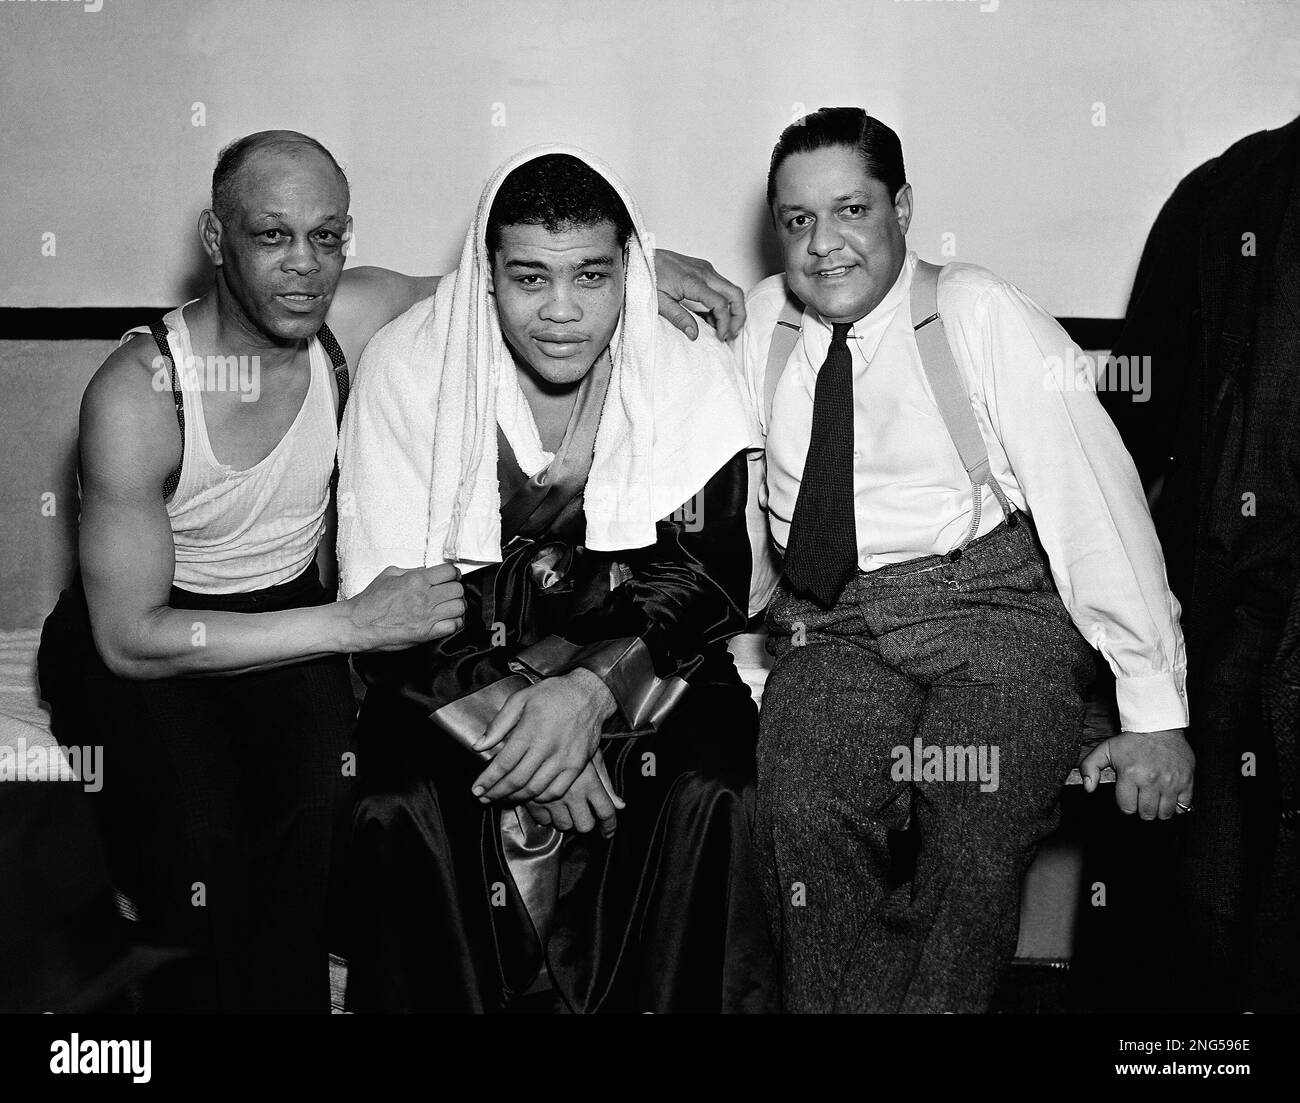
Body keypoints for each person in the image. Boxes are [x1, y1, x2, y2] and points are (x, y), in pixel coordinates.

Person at [36, 130, 746, 1013]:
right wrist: (349, 623)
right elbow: (129, 637)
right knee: (203, 836)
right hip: (152, 628)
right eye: (271, 235)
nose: (303, 265)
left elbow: (492, 276)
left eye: (326, 236)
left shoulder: (344, 315)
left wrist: (641, 268)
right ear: (216, 237)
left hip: (284, 609)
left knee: (325, 806)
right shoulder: (139, 392)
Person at [740, 108, 1195, 1013]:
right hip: (833, 621)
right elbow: (732, 487)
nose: (824, 244)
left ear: (902, 209)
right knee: (801, 809)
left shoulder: (978, 311)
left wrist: (1153, 706)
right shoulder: (762, 322)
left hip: (991, 611)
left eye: (851, 210)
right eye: (798, 220)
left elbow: (1094, 506)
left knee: (976, 824)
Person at [336, 145, 777, 1013]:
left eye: (592, 276)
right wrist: (535, 736)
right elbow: (393, 611)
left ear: (629, 272)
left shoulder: (683, 362)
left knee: (720, 792)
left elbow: (707, 573)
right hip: (455, 673)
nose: (563, 311)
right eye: (530, 278)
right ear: (486, 275)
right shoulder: (408, 367)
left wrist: (588, 692)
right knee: (397, 802)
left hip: (644, 658)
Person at [1101, 112, 1300, 1012]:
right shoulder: (1223, 196)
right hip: (1235, 616)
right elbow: (1127, 430)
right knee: (1206, 918)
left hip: (1240, 617)